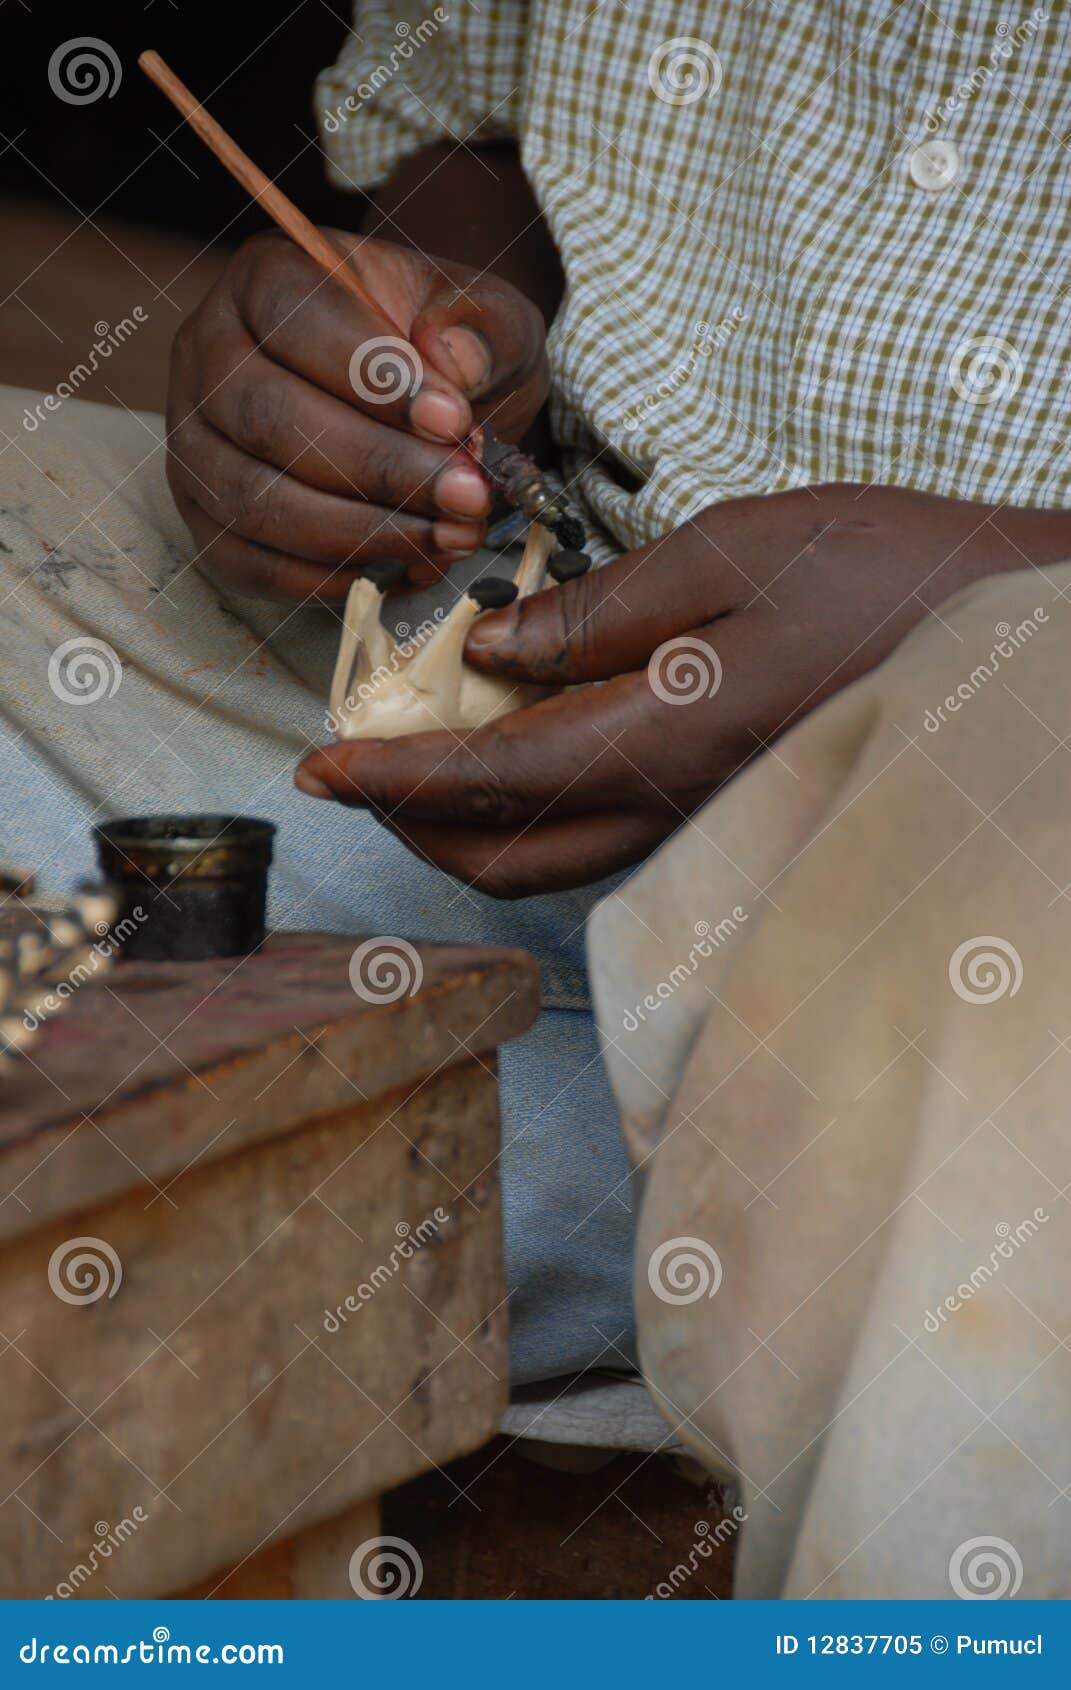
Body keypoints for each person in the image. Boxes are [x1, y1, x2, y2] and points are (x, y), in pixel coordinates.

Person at [4, 0, 1071, 1594]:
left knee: (1009, 971)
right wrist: (401, 350)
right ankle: (650, 1217)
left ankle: (854, 1283)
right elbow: (471, 138)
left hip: (1018, 789)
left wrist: (987, 603)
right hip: (562, 592)